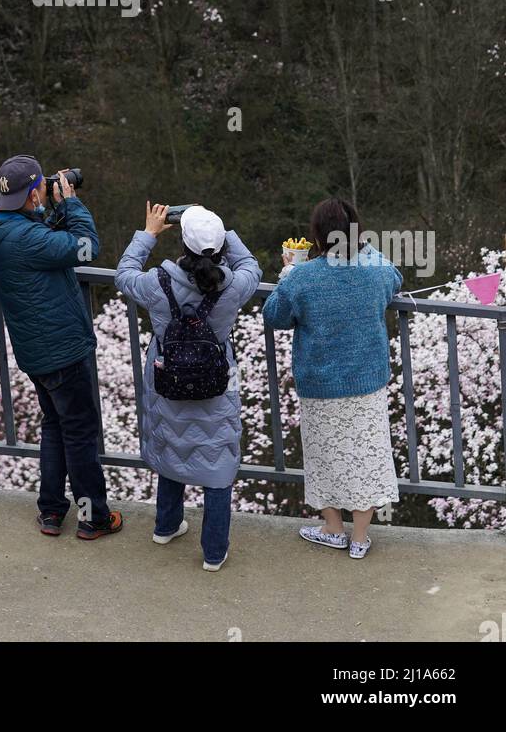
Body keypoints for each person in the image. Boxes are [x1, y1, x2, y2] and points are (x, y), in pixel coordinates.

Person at [0, 155, 121, 540]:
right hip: (64, 352)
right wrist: (71, 203)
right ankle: (94, 517)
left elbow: (31, 234)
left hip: (34, 352)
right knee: (80, 434)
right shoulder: (30, 238)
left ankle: (52, 511)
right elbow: (88, 247)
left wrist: (39, 207)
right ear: (31, 193)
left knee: (55, 425)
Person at [116, 201, 261, 571]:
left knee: (171, 444)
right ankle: (213, 553)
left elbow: (124, 273)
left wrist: (148, 234)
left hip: (168, 376)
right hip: (217, 382)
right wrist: (222, 230)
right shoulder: (233, 287)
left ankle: (166, 526)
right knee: (217, 459)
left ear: (182, 242)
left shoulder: (155, 283)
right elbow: (251, 267)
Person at [263, 197, 402, 559]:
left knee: (324, 457)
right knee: (367, 457)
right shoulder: (376, 270)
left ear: (318, 235)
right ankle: (359, 538)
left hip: (320, 384)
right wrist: (362, 247)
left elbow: (274, 315)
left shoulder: (305, 277)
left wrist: (290, 272)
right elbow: (395, 277)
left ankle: (333, 529)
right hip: (367, 382)